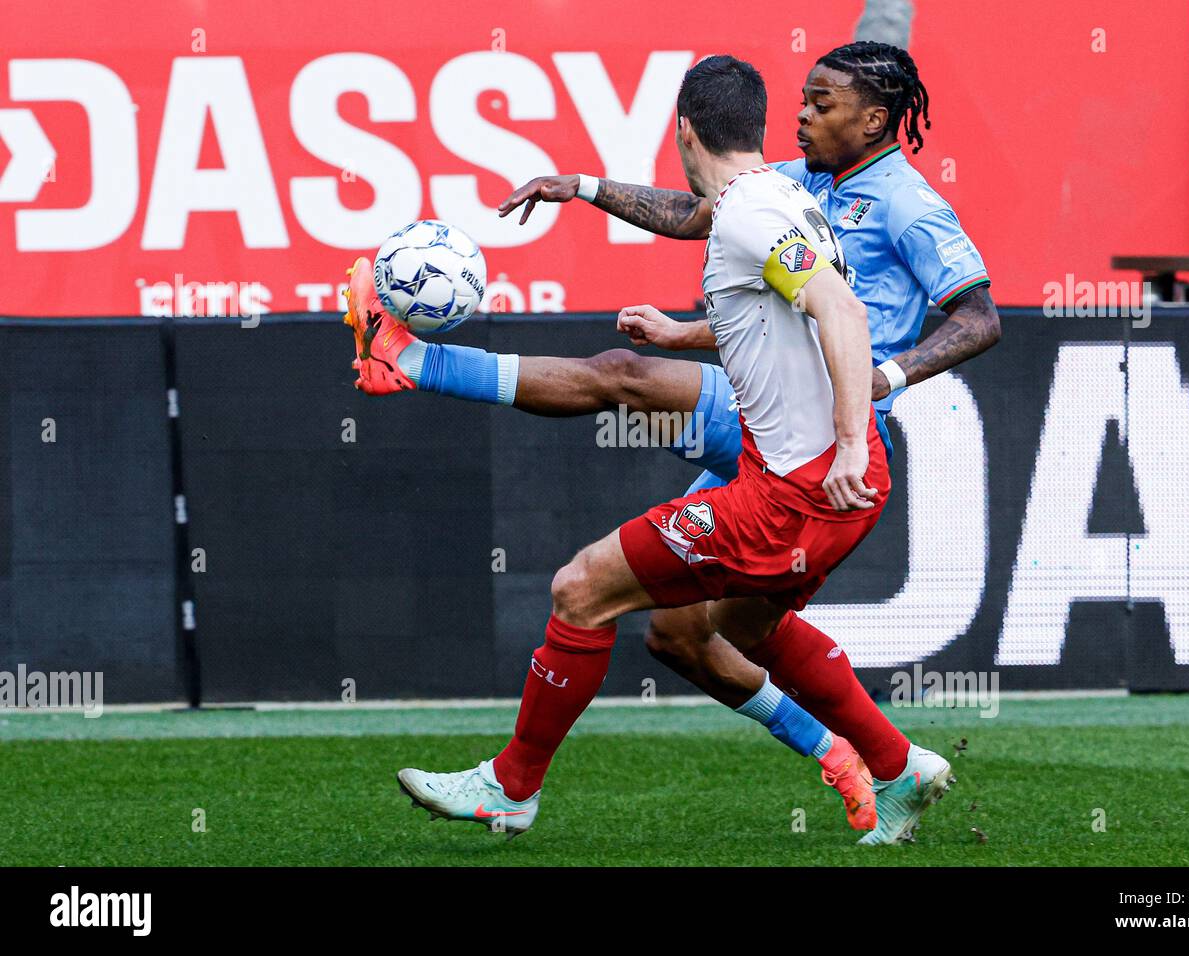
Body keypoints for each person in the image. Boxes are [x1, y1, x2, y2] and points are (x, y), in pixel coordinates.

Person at [352, 42, 993, 845]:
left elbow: (874, 312)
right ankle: (888, 763)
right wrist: (674, 317)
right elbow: (761, 292)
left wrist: (870, 412)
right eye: (799, 100)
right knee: (704, 631)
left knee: (583, 582)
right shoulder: (786, 190)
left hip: (811, 469)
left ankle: (510, 787)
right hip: (822, 465)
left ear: (686, 131)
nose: (805, 115)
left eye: (822, 104)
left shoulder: (860, 203)